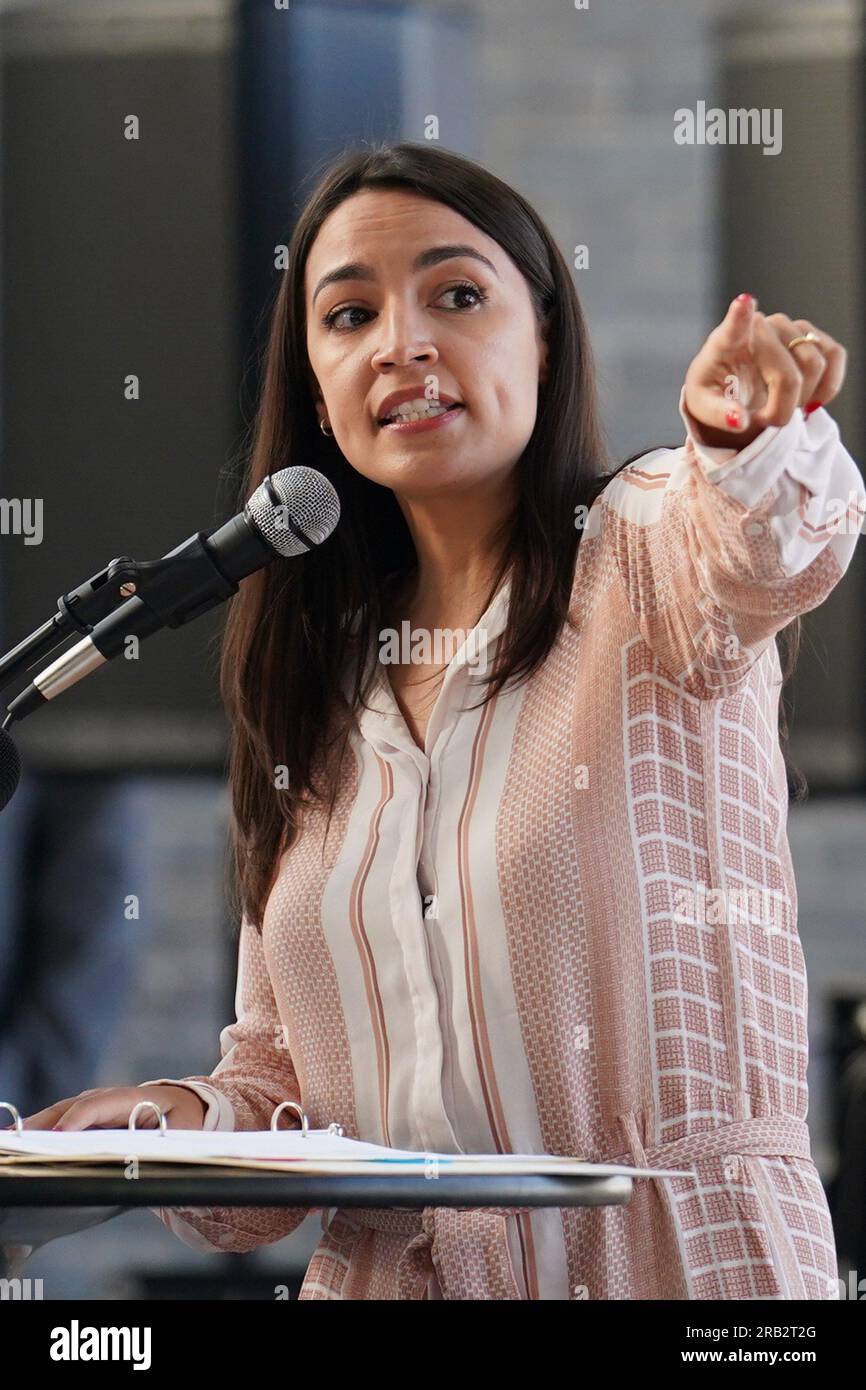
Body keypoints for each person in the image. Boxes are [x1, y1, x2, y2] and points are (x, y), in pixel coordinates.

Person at [17, 143, 865, 1299]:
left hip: (672, 1271)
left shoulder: (645, 553)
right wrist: (165, 1115)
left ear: (545, 337)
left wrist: (739, 436)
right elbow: (285, 1091)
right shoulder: (305, 684)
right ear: (314, 386)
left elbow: (769, 542)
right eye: (349, 313)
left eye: (456, 295)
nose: (401, 343)